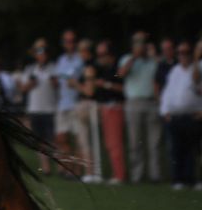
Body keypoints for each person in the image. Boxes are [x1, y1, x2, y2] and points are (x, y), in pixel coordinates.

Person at [119, 32, 163, 183]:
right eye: (137, 43)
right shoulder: (127, 59)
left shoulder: (153, 60)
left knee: (154, 142)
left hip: (152, 103)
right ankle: (137, 175)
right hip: (134, 103)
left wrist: (153, 56)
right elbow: (121, 74)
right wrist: (134, 58)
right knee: (135, 141)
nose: (140, 46)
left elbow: (162, 73)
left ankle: (155, 175)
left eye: (142, 43)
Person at [159, 41, 202, 190]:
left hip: (192, 116)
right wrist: (165, 112)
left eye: (186, 53)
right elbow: (167, 93)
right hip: (175, 117)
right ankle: (178, 180)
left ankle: (191, 179)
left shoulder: (198, 68)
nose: (182, 56)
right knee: (176, 150)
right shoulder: (174, 71)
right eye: (180, 53)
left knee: (192, 150)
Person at [92, 39, 127, 184]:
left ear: (110, 54)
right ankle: (116, 173)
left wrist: (105, 84)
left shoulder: (117, 70)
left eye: (103, 54)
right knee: (109, 143)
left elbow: (123, 88)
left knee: (114, 143)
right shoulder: (104, 69)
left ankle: (119, 175)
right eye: (98, 54)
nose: (99, 57)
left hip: (115, 107)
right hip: (106, 108)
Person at [20, 43, 58, 174]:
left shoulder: (53, 68)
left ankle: (60, 166)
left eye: (43, 54)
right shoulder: (30, 69)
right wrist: (31, 83)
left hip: (50, 109)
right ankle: (46, 168)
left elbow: (58, 86)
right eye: (39, 54)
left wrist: (54, 81)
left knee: (53, 140)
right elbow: (23, 89)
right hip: (35, 109)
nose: (41, 57)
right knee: (39, 140)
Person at [52, 31, 86, 176]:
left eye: (72, 41)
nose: (69, 44)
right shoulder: (61, 60)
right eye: (67, 41)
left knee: (78, 139)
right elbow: (58, 80)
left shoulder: (81, 59)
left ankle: (77, 171)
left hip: (76, 103)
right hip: (62, 103)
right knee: (61, 137)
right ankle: (69, 167)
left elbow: (81, 79)